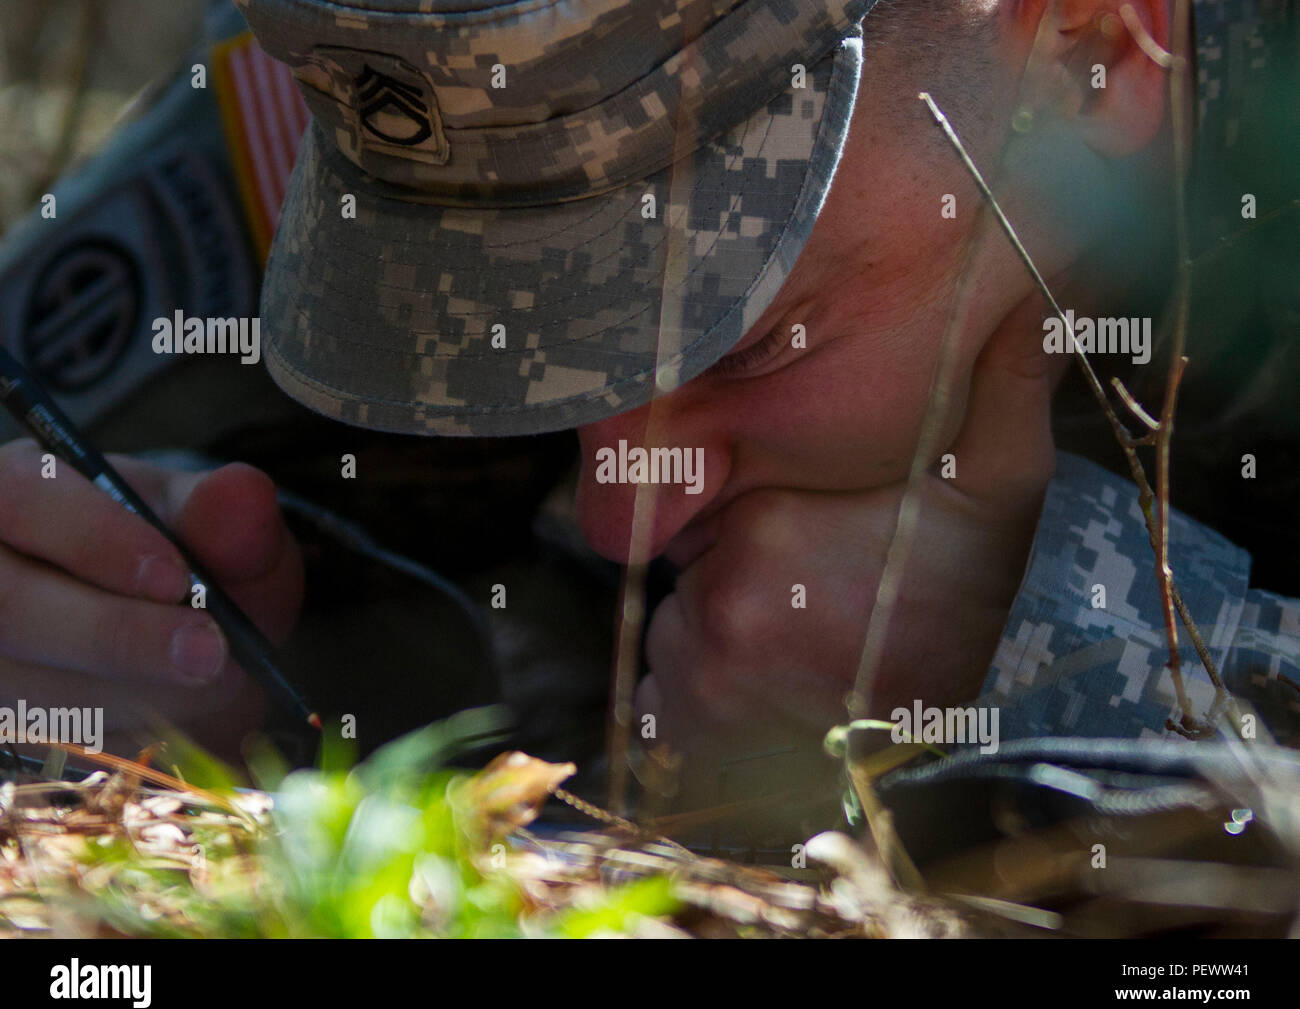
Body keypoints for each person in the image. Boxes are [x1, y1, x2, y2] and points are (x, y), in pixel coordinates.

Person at [0, 0, 1294, 832]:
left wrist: (1070, 665)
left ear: (1092, 48)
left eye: (750, 346)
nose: (624, 517)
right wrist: (224, 655)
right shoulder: (387, 71)